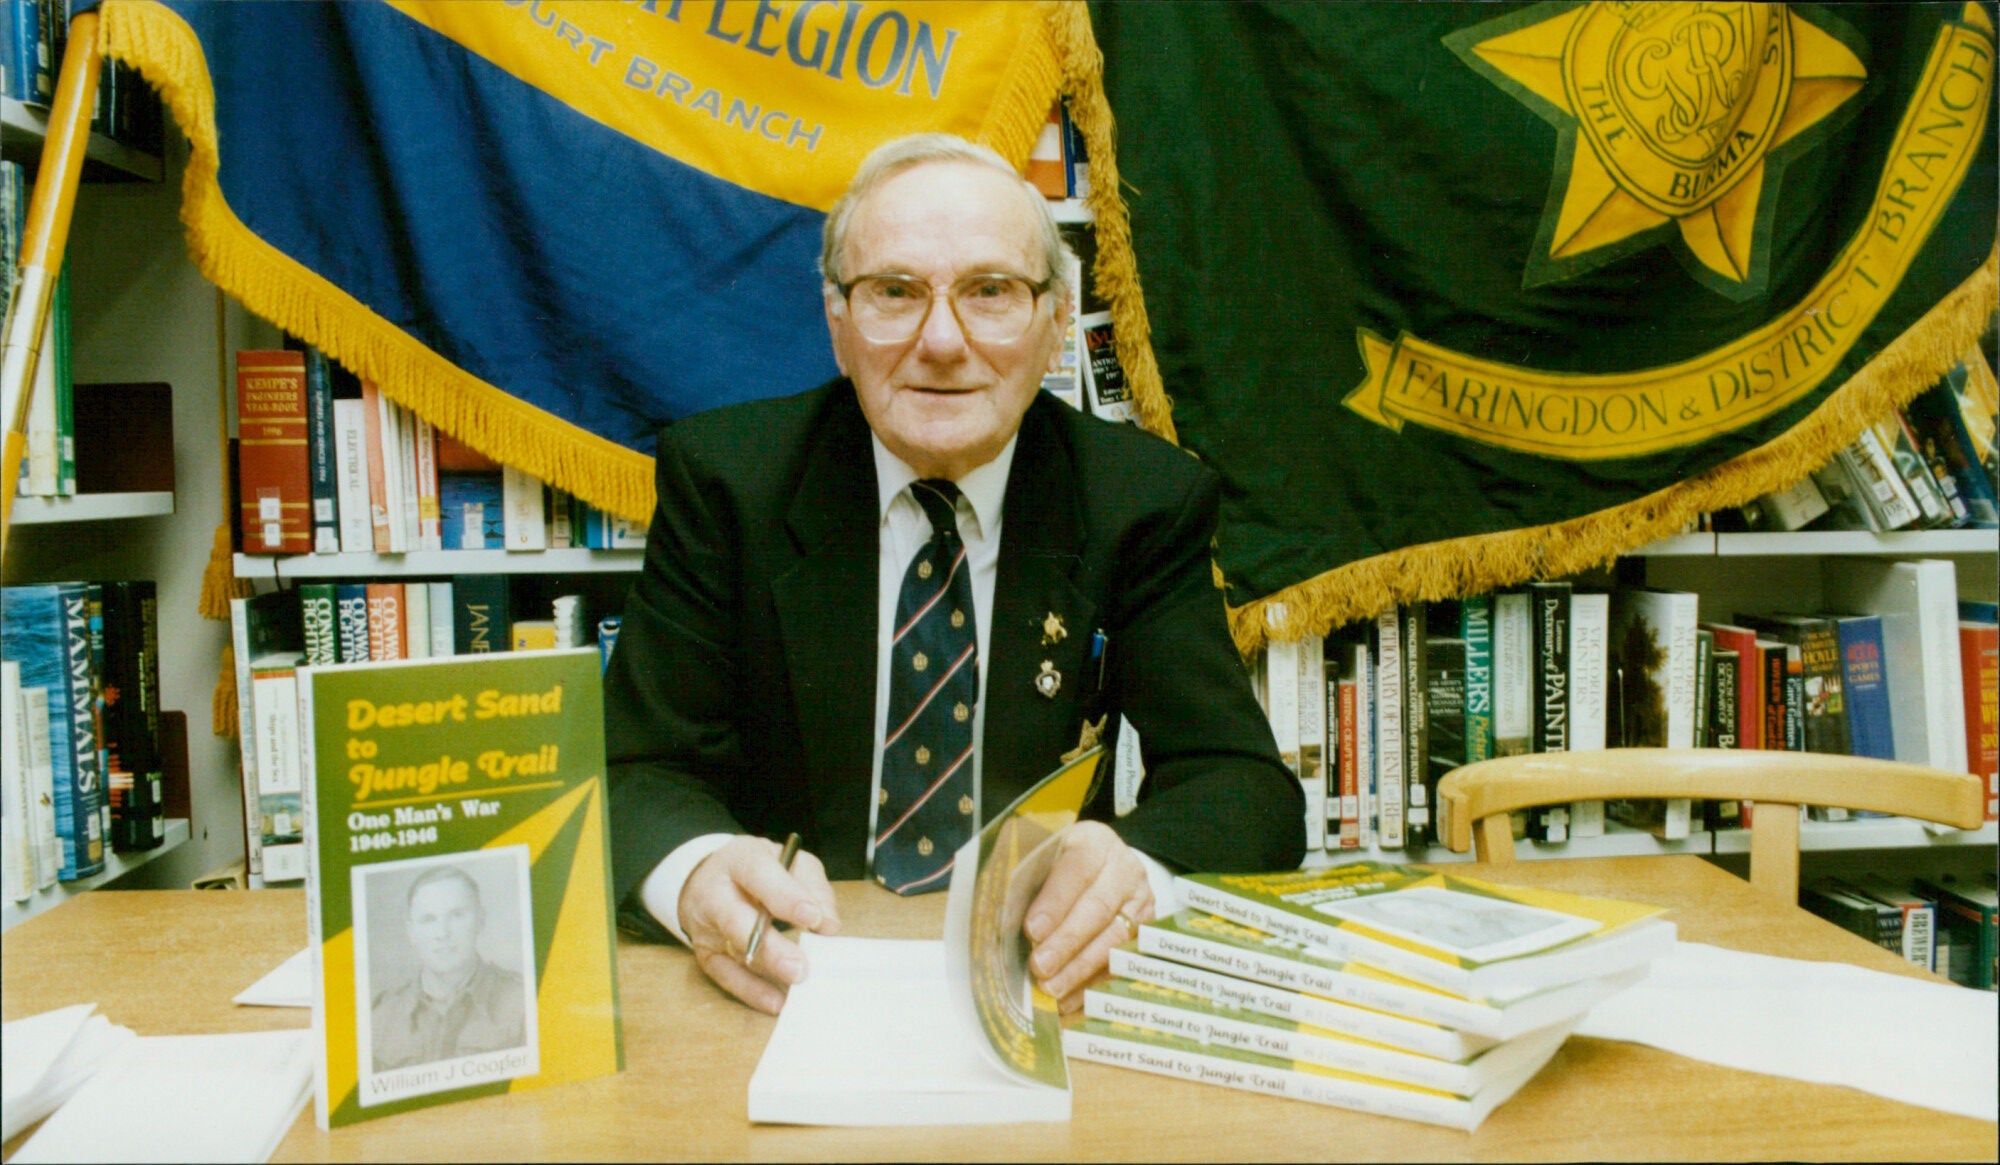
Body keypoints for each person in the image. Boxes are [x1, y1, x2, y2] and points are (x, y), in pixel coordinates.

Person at [603, 132, 1304, 1016]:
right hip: (785, 985)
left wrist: (1136, 875)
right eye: (895, 292)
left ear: (1054, 321)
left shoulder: (1142, 500)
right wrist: (695, 872)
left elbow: (1241, 787)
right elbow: (631, 771)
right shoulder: (729, 480)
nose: (942, 340)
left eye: (990, 292)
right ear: (838, 323)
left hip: (1034, 990)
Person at [370, 865, 528, 1072]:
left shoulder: (523, 1000)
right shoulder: (381, 1015)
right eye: (428, 919)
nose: (442, 933)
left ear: (480, 920)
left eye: (456, 915)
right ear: (411, 931)